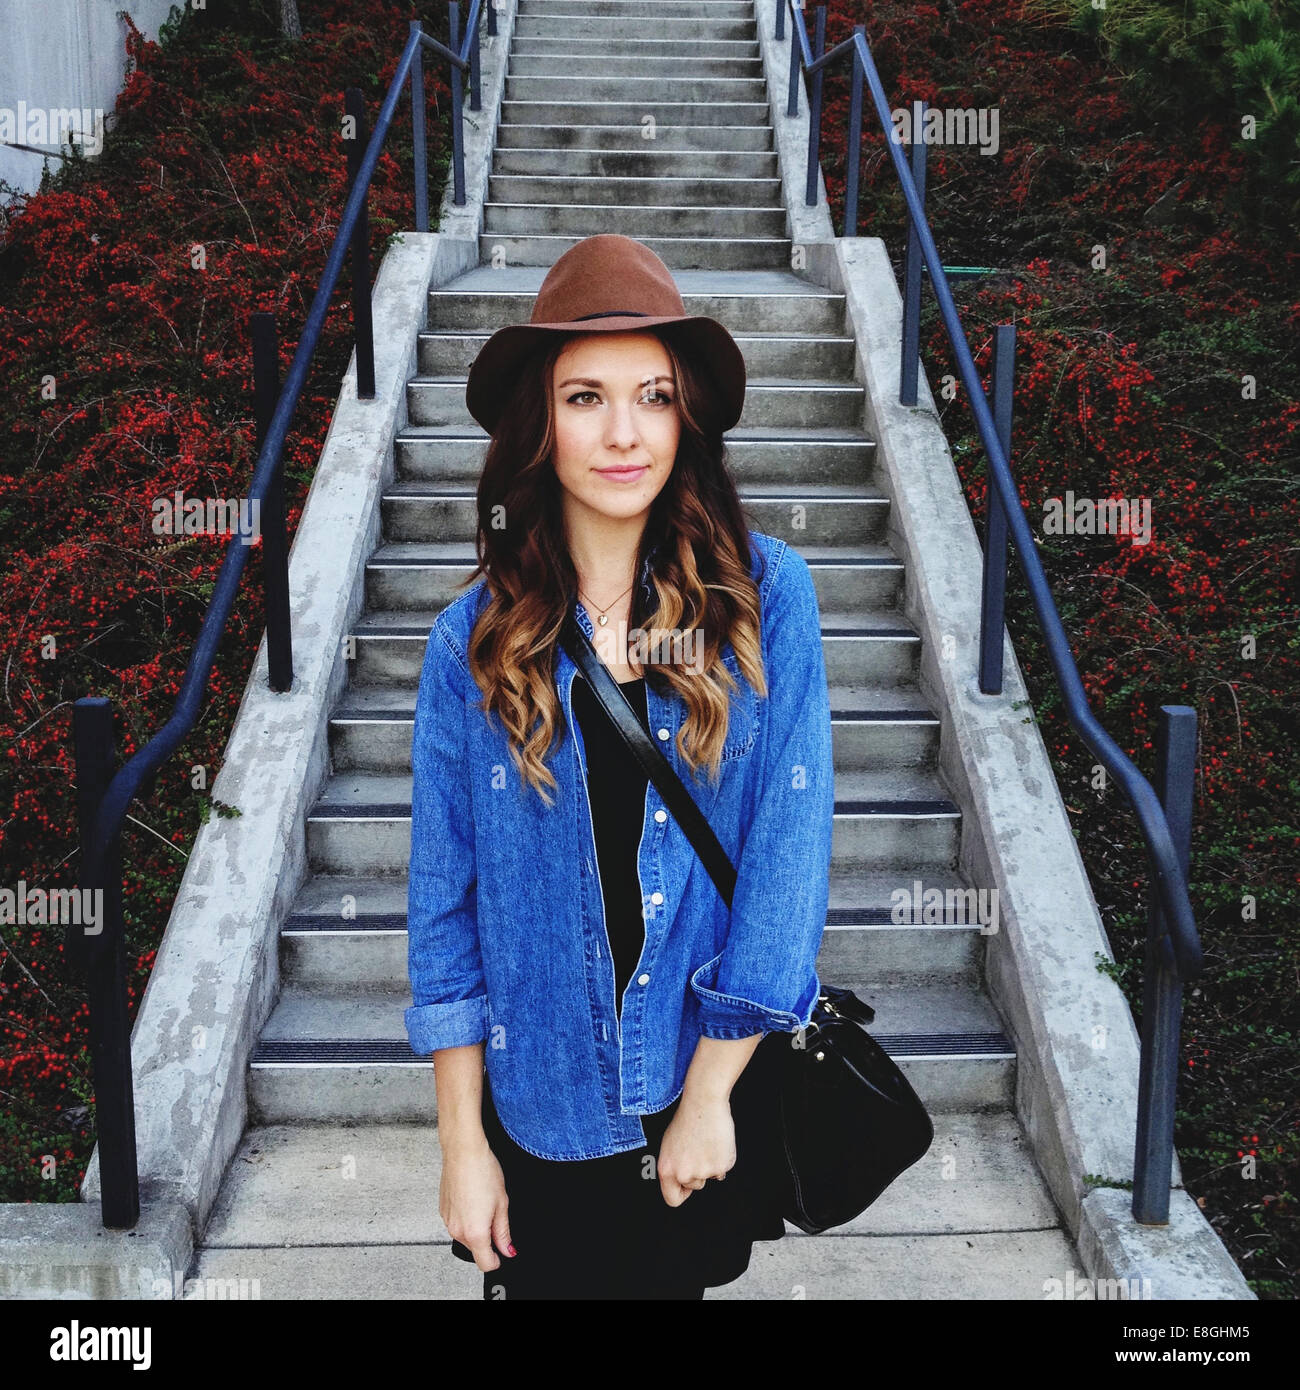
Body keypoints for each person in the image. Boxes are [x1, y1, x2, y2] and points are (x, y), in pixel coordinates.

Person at [405, 235, 835, 1300]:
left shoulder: (762, 599)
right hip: (539, 1100)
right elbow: (442, 909)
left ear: (685, 413)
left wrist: (711, 1088)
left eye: (651, 395)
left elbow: (789, 856)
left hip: (694, 1086)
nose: (624, 432)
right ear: (538, 425)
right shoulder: (474, 639)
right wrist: (462, 1145)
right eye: (585, 398)